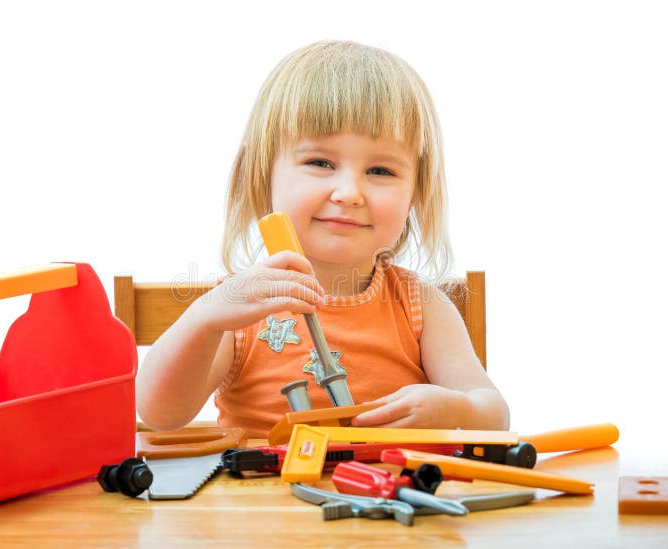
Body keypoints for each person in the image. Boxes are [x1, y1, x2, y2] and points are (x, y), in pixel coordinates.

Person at [137, 40, 509, 437]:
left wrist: (454, 409)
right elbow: (159, 414)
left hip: (382, 495)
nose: (349, 191)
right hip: (258, 498)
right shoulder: (238, 308)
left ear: (415, 194)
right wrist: (203, 320)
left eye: (381, 171)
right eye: (320, 162)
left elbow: (494, 415)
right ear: (261, 174)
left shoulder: (420, 306)